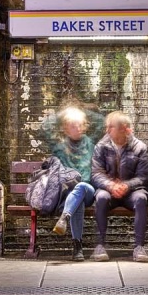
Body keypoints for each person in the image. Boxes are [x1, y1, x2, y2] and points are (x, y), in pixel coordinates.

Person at [90, 111, 148, 262]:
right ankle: (100, 246)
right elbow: (96, 173)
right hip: (109, 190)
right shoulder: (101, 146)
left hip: (132, 192)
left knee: (141, 199)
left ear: (123, 128)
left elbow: (144, 177)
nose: (106, 130)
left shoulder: (140, 148)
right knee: (101, 197)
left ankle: (139, 247)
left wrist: (126, 185)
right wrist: (110, 185)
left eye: (110, 127)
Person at [50, 107, 97, 261]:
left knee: (81, 187)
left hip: (89, 190)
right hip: (68, 194)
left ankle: (64, 218)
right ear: (66, 128)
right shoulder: (59, 149)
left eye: (80, 124)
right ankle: (77, 247)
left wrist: (83, 106)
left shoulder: (91, 145)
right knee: (78, 201)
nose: (77, 128)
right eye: (73, 125)